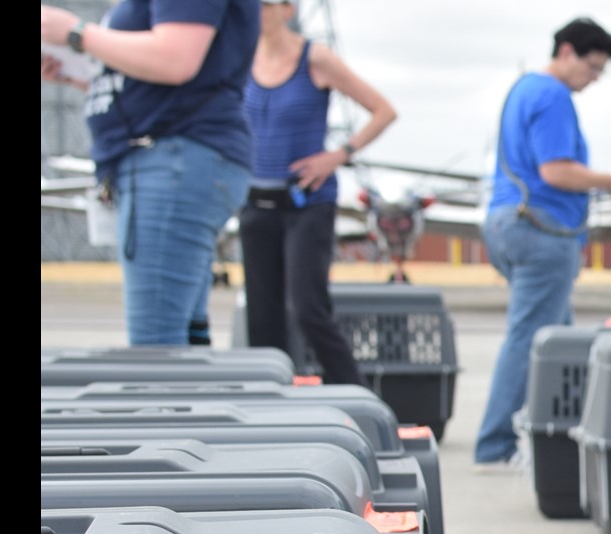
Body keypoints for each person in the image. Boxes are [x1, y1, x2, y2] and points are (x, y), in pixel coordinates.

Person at [41, 1, 261, 345]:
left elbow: (175, 60)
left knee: (156, 347)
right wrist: (83, 74)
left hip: (173, 158)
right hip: (169, 158)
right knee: (181, 335)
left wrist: (77, 33)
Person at [472, 16, 611, 469]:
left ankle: (560, 438)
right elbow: (556, 171)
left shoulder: (523, 88)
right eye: (593, 66)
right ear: (567, 52)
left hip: (508, 223)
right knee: (532, 339)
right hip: (542, 231)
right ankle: (496, 444)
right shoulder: (553, 95)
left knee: (561, 342)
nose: (595, 77)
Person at [239, 0, 397, 386]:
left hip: (307, 203)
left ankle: (358, 398)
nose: (253, 11)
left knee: (307, 307)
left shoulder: (315, 58)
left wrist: (339, 155)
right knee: (261, 318)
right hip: (257, 203)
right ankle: (270, 405)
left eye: (263, 4)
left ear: (286, 9)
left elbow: (383, 110)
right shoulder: (239, 57)